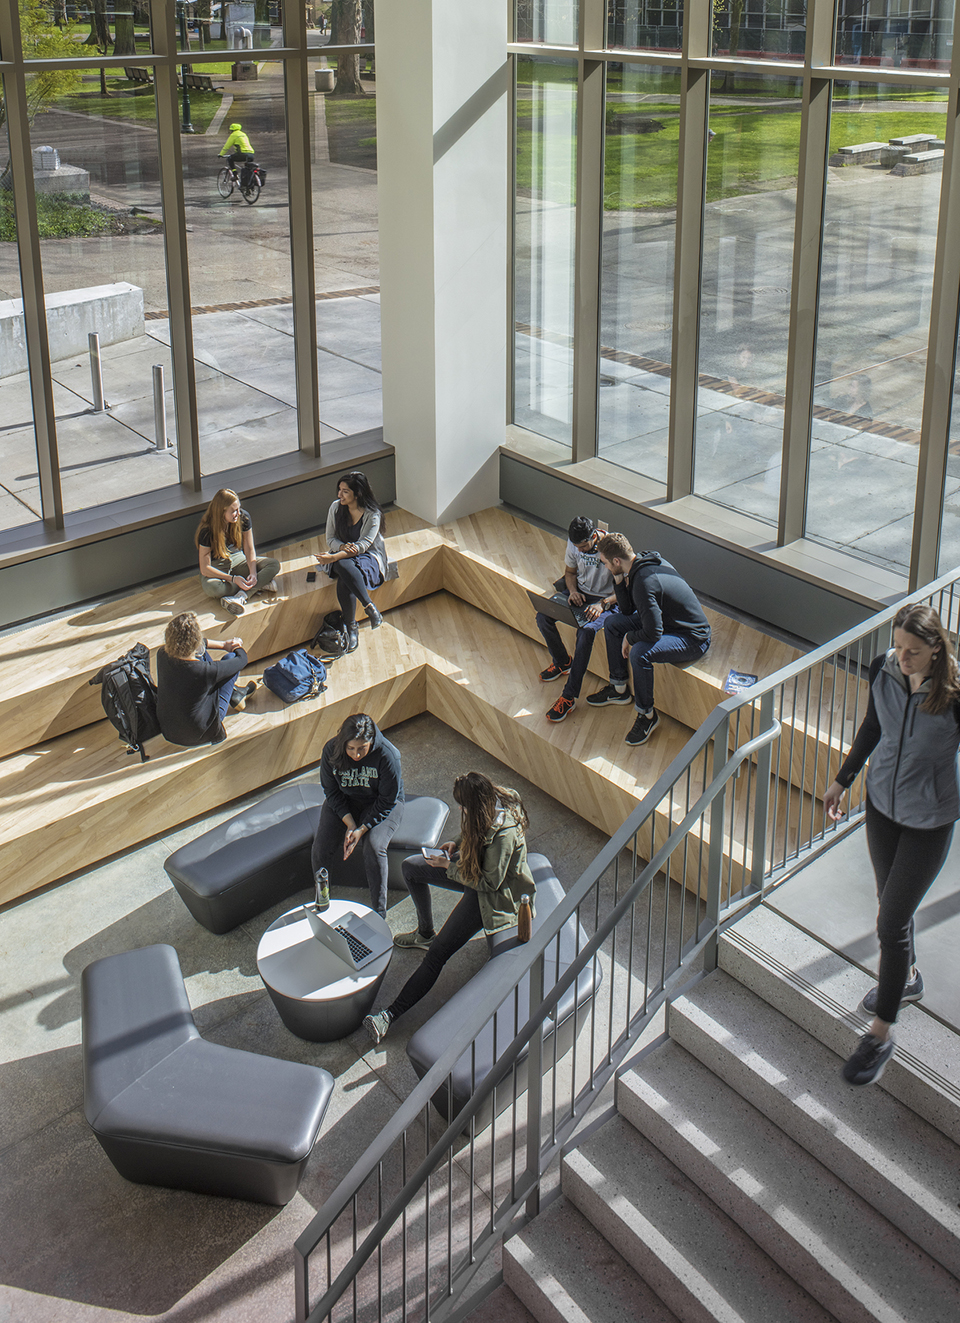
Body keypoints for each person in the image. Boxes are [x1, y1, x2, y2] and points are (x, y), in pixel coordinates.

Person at [823, 602, 960, 1087]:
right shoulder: (884, 669)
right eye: (898, 646)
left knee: (892, 920)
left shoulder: (954, 694)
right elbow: (873, 725)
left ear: (936, 649)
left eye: (913, 651)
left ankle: (880, 1034)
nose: (902, 657)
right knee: (889, 901)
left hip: (930, 820)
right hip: (881, 806)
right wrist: (843, 778)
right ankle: (909, 978)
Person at [363, 772, 536, 1045]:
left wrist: (448, 866)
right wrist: (457, 841)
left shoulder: (505, 834)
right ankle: (424, 932)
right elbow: (475, 828)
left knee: (437, 955)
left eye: (464, 807)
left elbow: (489, 883)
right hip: (472, 867)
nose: (461, 810)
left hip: (489, 896)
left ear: (476, 805)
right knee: (411, 868)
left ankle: (388, 1017)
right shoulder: (488, 804)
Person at [587, 533, 711, 747]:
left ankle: (647, 715)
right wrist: (618, 580)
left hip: (692, 637)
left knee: (639, 652)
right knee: (613, 623)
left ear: (616, 561)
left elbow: (653, 633)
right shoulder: (642, 563)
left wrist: (630, 637)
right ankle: (618, 688)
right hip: (667, 622)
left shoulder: (643, 582)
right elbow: (627, 610)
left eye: (605, 563)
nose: (605, 567)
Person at [312, 713, 404, 918]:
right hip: (346, 800)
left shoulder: (388, 755)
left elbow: (388, 800)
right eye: (351, 748)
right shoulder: (331, 750)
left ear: (371, 741)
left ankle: (379, 913)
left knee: (374, 847)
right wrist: (350, 823)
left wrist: (362, 829)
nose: (356, 754)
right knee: (320, 848)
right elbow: (331, 792)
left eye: (362, 748)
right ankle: (322, 901)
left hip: (381, 803)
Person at [535, 515, 618, 725]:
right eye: (577, 546)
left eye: (583, 546)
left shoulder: (613, 546)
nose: (579, 550)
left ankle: (569, 697)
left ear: (594, 536)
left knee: (585, 632)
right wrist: (572, 591)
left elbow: (625, 588)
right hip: (580, 594)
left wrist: (602, 604)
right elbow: (570, 572)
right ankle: (563, 662)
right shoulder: (574, 545)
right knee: (543, 616)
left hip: (606, 601)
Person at [156, 611, 258, 747]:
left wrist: (223, 645)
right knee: (230, 658)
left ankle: (234, 694)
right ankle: (235, 695)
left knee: (201, 654)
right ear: (195, 641)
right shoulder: (204, 671)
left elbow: (201, 645)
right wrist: (236, 646)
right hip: (200, 733)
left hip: (169, 729)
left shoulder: (162, 654)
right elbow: (241, 660)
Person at [316, 471, 387, 651]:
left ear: (358, 494)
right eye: (339, 490)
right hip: (343, 554)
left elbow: (362, 546)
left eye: (345, 491)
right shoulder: (335, 508)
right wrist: (341, 548)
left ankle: (351, 627)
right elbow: (330, 539)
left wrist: (333, 557)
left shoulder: (373, 514)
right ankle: (369, 608)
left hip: (368, 556)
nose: (339, 494)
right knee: (344, 567)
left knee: (342, 568)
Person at [196, 488, 281, 616]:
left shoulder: (244, 517)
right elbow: (205, 568)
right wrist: (233, 579)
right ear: (222, 511)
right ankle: (259, 585)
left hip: (237, 558)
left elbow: (249, 548)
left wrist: (253, 572)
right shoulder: (207, 531)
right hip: (217, 565)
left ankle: (241, 596)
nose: (238, 513)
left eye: (238, 508)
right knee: (212, 588)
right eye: (233, 511)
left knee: (273, 564)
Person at [219, 122, 255, 188]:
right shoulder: (243, 134)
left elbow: (226, 146)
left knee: (230, 159)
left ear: (231, 130)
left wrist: (221, 154)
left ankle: (235, 174)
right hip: (251, 153)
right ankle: (249, 187)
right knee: (248, 169)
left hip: (242, 153)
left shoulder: (233, 135)